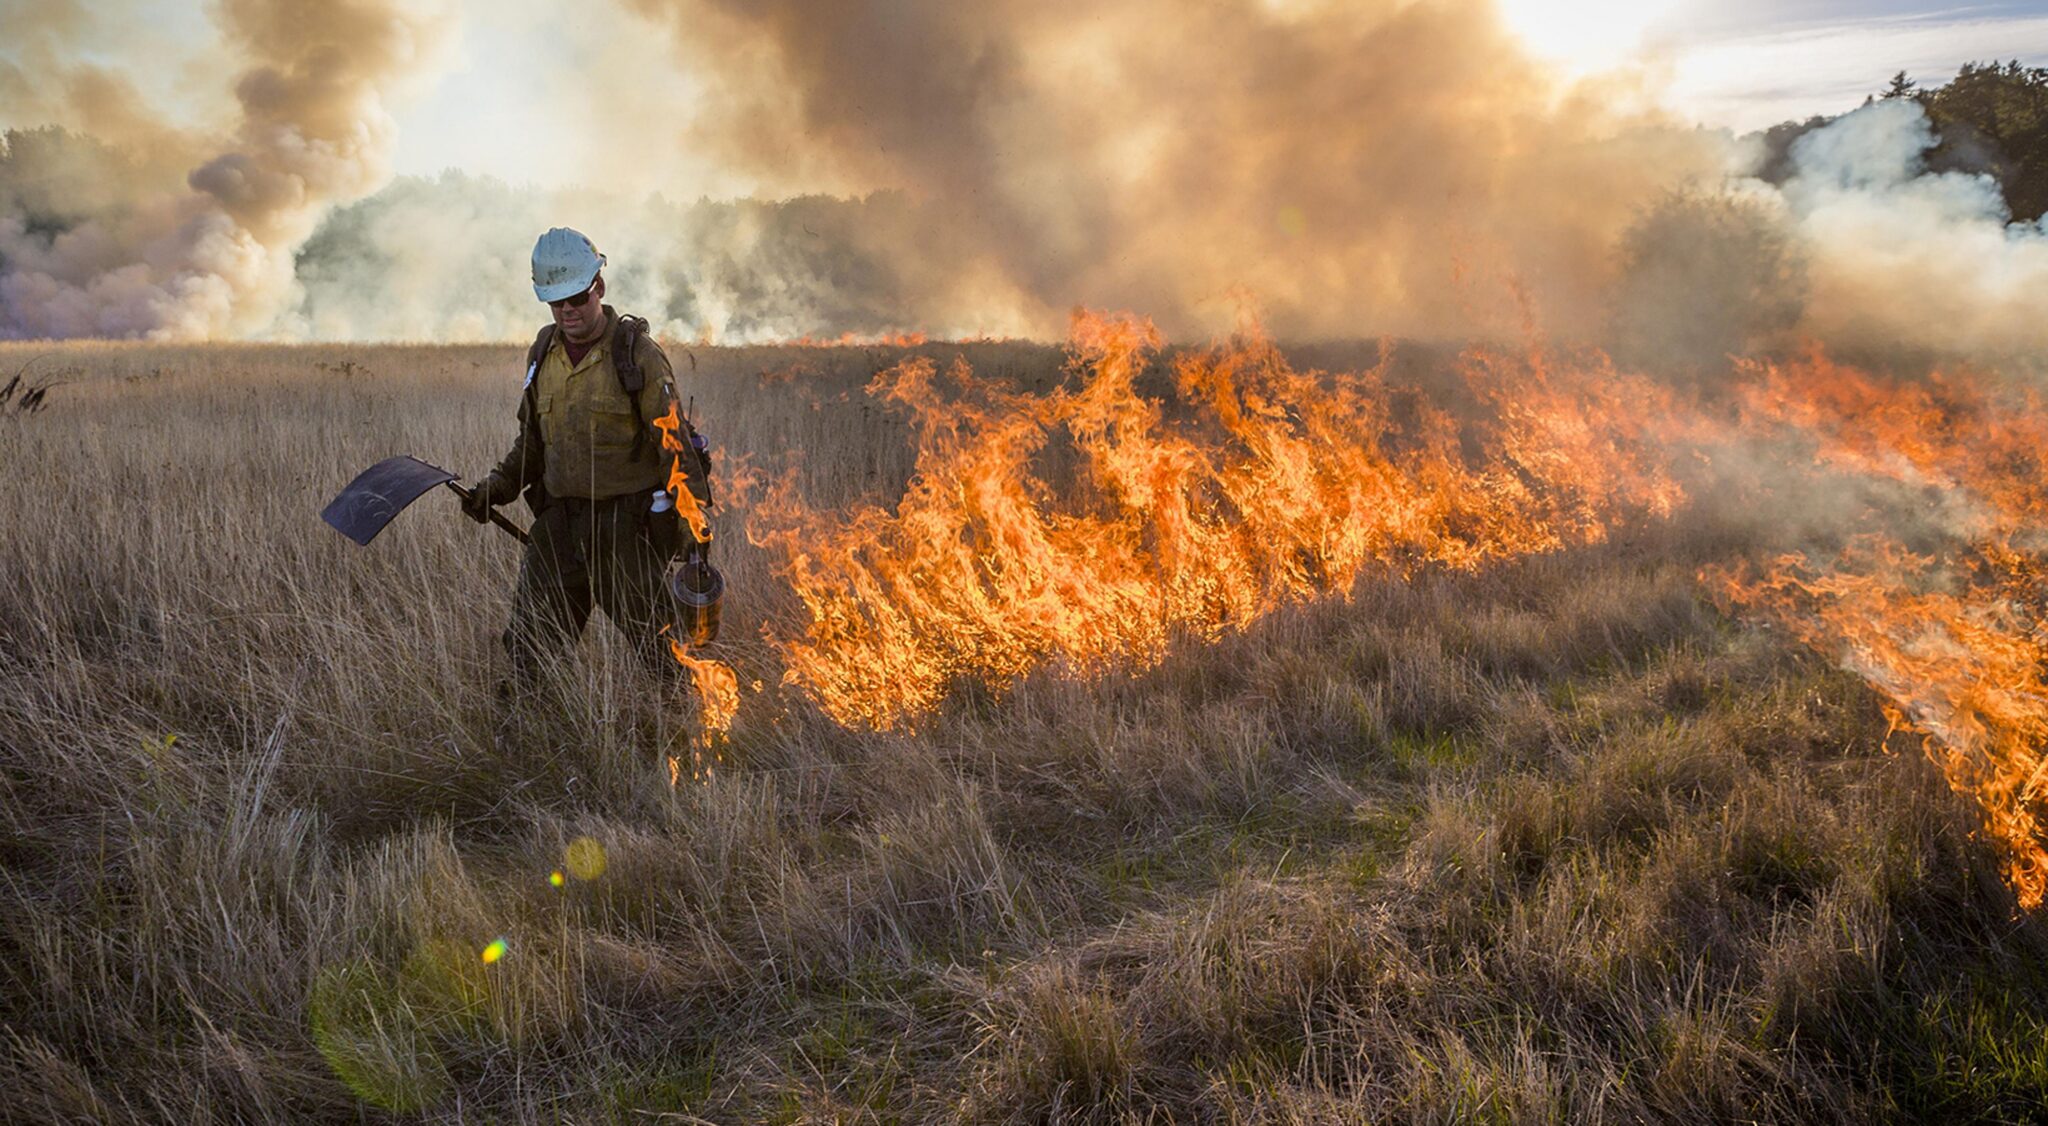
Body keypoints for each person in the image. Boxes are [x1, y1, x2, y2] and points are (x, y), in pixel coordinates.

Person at [462, 227, 711, 692]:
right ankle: (529, 738)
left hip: (626, 530)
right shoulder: (543, 351)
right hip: (558, 526)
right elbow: (533, 443)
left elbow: (675, 447)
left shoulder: (636, 354)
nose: (568, 311)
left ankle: (688, 730)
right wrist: (495, 488)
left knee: (663, 652)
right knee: (529, 651)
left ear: (598, 285)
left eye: (576, 297)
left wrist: (691, 531)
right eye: (556, 302)